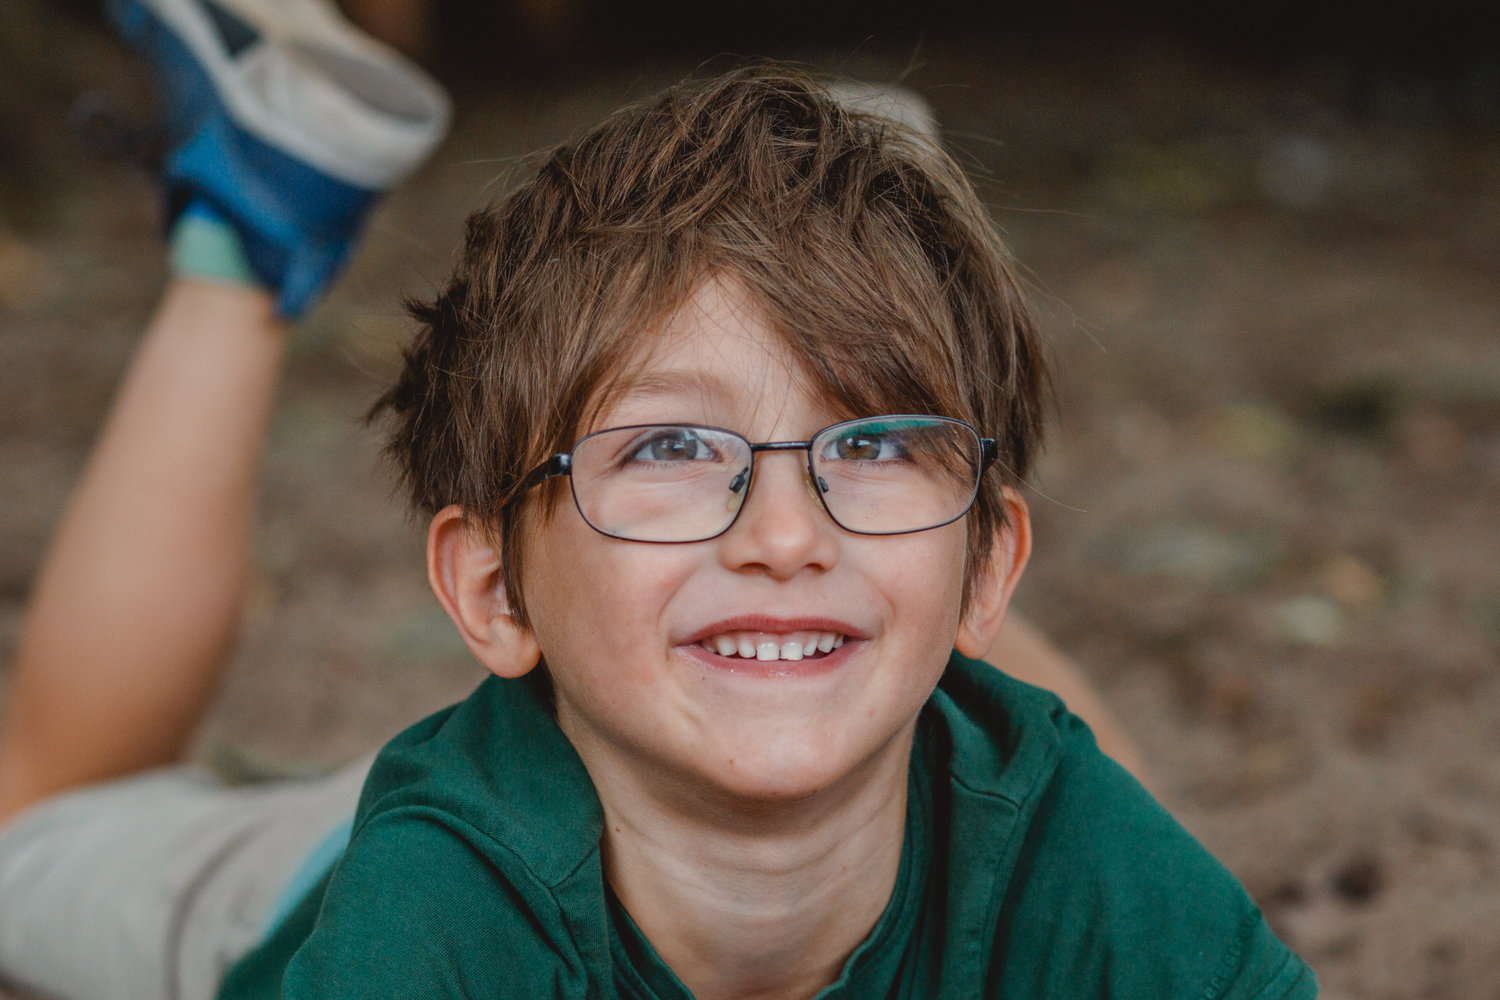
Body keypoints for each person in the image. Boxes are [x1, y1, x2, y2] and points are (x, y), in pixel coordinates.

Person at [0, 2, 1310, 998]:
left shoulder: (1059, 829)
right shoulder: (428, 917)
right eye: (673, 444)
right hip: (329, 869)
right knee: (26, 826)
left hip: (694, 695)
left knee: (1006, 728)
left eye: (872, 437)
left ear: (994, 572)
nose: (784, 536)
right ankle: (255, 221)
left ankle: (849, 233)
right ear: (492, 590)